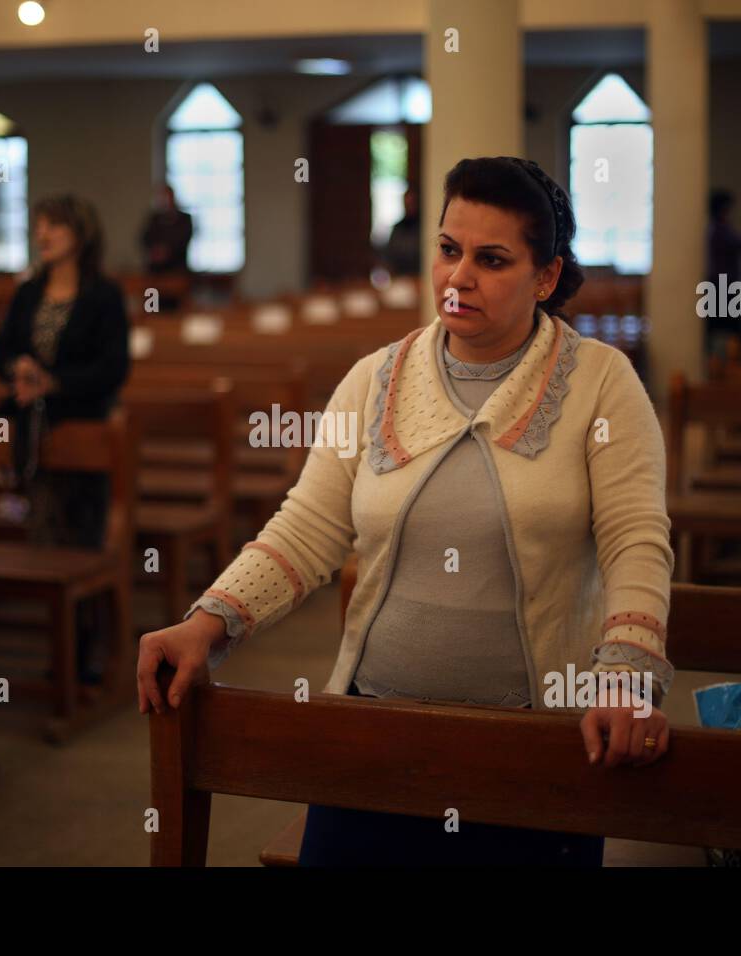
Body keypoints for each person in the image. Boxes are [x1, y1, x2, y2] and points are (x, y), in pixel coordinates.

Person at [137, 156, 675, 866]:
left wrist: (625, 679)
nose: (459, 277)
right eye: (449, 250)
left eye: (492, 259)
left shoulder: (601, 383)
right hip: (372, 732)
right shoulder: (374, 378)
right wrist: (208, 621)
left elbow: (636, 539)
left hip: (536, 743)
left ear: (546, 277)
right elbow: (309, 526)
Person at [0, 194, 131, 684]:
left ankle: (84, 657)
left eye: (54, 226)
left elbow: (114, 368)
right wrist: (20, 369)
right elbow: (3, 347)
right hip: (33, 432)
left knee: (80, 542)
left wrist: (56, 382)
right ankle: (58, 652)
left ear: (81, 234)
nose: (43, 234)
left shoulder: (104, 295)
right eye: (40, 225)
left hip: (82, 431)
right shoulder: (29, 291)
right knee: (42, 538)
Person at [705, 189, 741, 355]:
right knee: (732, 328)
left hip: (721, 284)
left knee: (723, 327)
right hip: (723, 285)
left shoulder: (717, 229)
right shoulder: (720, 229)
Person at [139, 184, 193, 274]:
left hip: (177, 269)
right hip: (156, 270)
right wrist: (155, 250)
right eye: (163, 198)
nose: (166, 201)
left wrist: (167, 251)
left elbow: (184, 239)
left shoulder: (184, 219)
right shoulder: (154, 219)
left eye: (168, 197)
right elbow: (144, 238)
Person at [382, 187, 422, 276]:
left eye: (412, 203)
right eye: (406, 203)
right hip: (399, 275)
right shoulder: (397, 227)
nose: (409, 207)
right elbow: (389, 253)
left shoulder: (424, 227)